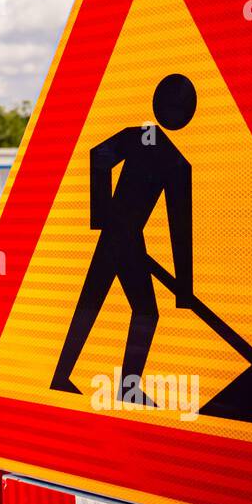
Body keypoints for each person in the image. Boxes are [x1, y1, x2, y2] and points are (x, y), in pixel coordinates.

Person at [49, 73, 196, 405]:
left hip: (122, 237)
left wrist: (106, 220)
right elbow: (98, 158)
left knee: (90, 302)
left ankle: (63, 377)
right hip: (125, 238)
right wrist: (103, 219)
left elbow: (179, 226)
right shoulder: (173, 159)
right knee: (143, 311)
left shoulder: (156, 148)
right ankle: (127, 388)